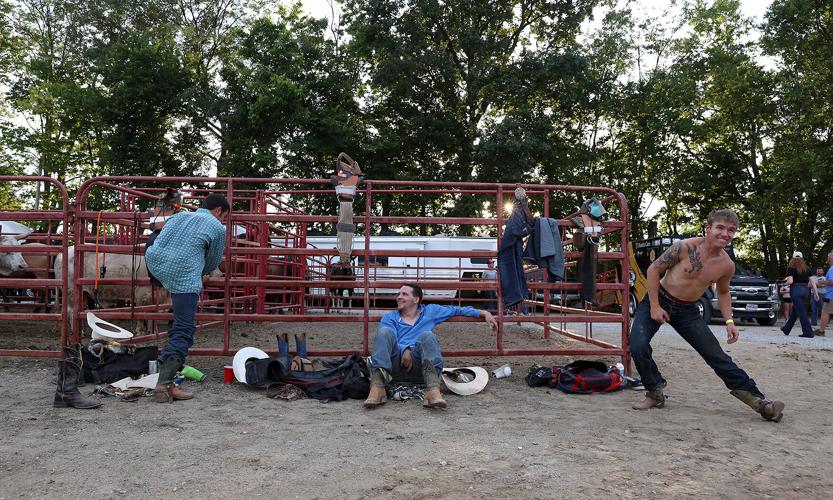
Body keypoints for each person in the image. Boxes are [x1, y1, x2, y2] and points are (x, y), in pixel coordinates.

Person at [629, 209, 785, 422]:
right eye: (720, 227)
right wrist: (655, 307)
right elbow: (654, 270)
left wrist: (729, 321)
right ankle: (654, 392)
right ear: (708, 228)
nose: (725, 233)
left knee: (716, 356)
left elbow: (722, 291)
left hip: (687, 311)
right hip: (658, 300)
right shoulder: (684, 248)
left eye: (731, 230)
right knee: (637, 345)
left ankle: (760, 403)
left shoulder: (726, 265)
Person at [145, 193, 229, 402]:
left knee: (179, 324)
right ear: (218, 210)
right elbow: (212, 262)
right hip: (183, 275)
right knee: (184, 329)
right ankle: (163, 386)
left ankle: (166, 378)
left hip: (154, 263)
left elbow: (160, 237)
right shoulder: (217, 228)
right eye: (224, 216)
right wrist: (200, 271)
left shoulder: (178, 216)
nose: (223, 221)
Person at [364, 283, 498, 410]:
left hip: (420, 370)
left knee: (428, 335)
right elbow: (387, 339)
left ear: (416, 299)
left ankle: (433, 390)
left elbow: (456, 310)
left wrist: (483, 313)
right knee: (383, 332)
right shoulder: (390, 317)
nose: (399, 297)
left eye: (404, 294)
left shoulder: (431, 311)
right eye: (399, 294)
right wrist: (405, 349)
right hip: (394, 369)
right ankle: (377, 388)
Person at [780, 251, 816, 338]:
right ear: (802, 259)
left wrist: (783, 284)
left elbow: (790, 281)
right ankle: (786, 329)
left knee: (801, 312)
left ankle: (808, 332)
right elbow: (813, 281)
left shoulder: (791, 268)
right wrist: (816, 292)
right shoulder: (807, 268)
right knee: (796, 310)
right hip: (805, 291)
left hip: (796, 290)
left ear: (792, 259)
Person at [814, 253, 833, 337]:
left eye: (828, 258)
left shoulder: (832, 269)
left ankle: (821, 331)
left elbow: (832, 282)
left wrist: (822, 282)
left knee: (825, 312)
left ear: (830, 259)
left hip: (831, 295)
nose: (827, 259)